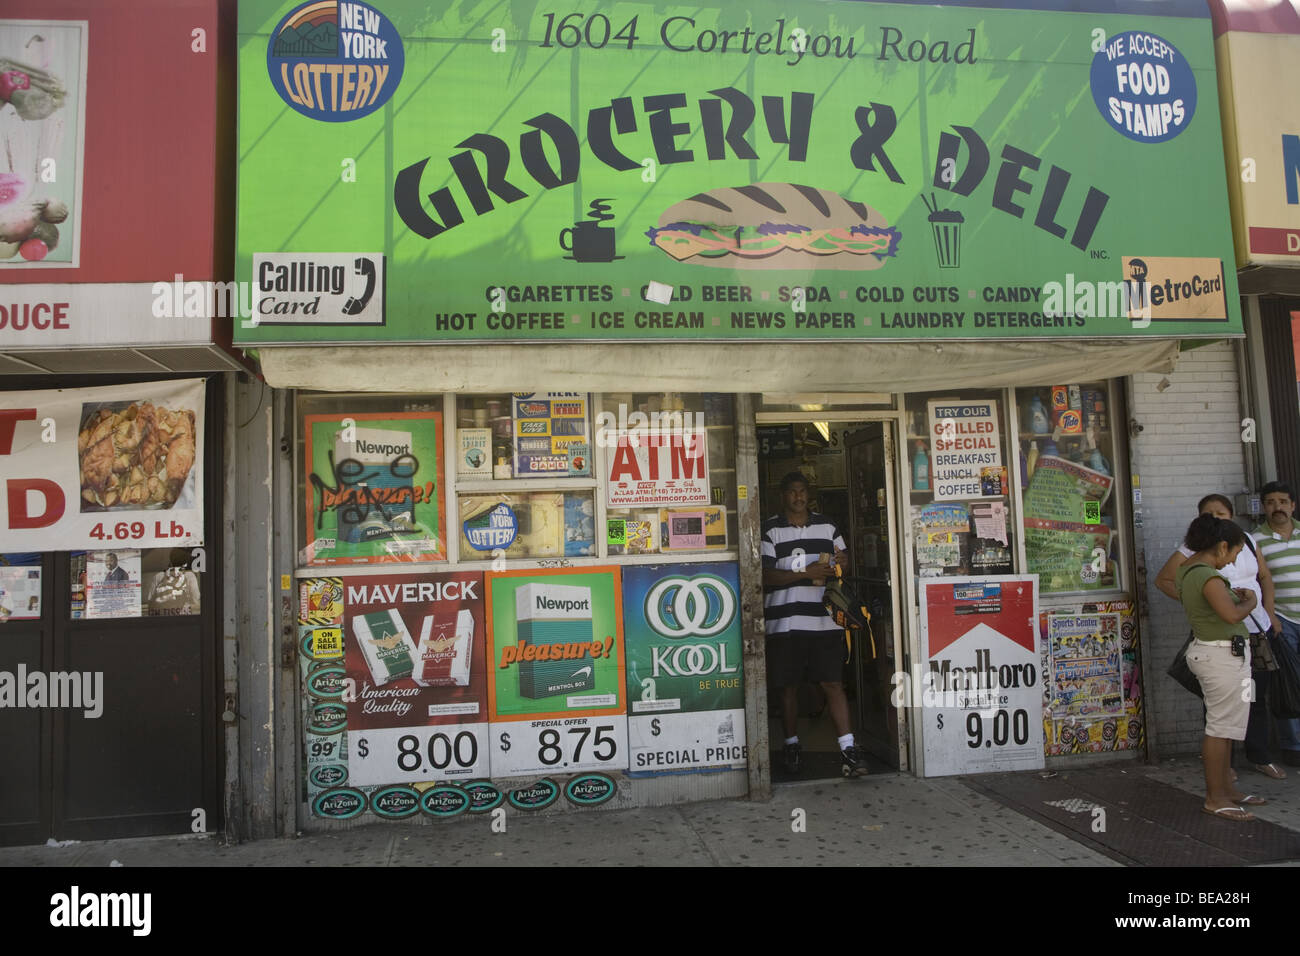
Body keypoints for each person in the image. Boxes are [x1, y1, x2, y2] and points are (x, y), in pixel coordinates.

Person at [1155, 494, 1285, 780]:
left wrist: (1269, 612)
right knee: (1219, 706)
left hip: (1255, 634)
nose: (1216, 518)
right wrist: (1206, 603)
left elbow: (1264, 577)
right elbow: (1164, 580)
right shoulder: (1197, 553)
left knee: (1252, 697)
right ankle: (1224, 768)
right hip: (1222, 640)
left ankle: (1258, 753)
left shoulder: (1247, 541)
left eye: (1221, 513)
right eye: (1209, 514)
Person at [762, 471, 869, 777]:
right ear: (783, 496)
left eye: (802, 491)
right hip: (785, 624)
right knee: (788, 687)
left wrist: (842, 563)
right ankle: (792, 743)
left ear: (809, 495)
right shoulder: (770, 530)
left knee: (833, 683)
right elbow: (766, 575)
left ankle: (848, 749)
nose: (799, 497)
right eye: (793, 492)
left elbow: (843, 560)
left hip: (826, 622)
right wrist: (806, 572)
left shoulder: (828, 525)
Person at [1175, 513, 1265, 821]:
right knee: (1220, 729)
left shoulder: (1188, 571)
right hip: (1222, 657)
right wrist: (1251, 602)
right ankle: (1216, 798)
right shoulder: (1207, 575)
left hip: (1217, 655)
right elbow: (1230, 616)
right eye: (1235, 553)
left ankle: (1227, 790)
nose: (1231, 561)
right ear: (1222, 546)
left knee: (1227, 727)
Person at [1253, 481, 1300, 767]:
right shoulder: (1256, 540)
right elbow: (1258, 582)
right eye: (1271, 502)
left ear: (1292, 505)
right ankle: (1293, 746)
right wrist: (1270, 618)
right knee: (1289, 684)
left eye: (1283, 501)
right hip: (1282, 621)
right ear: (1263, 507)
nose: (1278, 507)